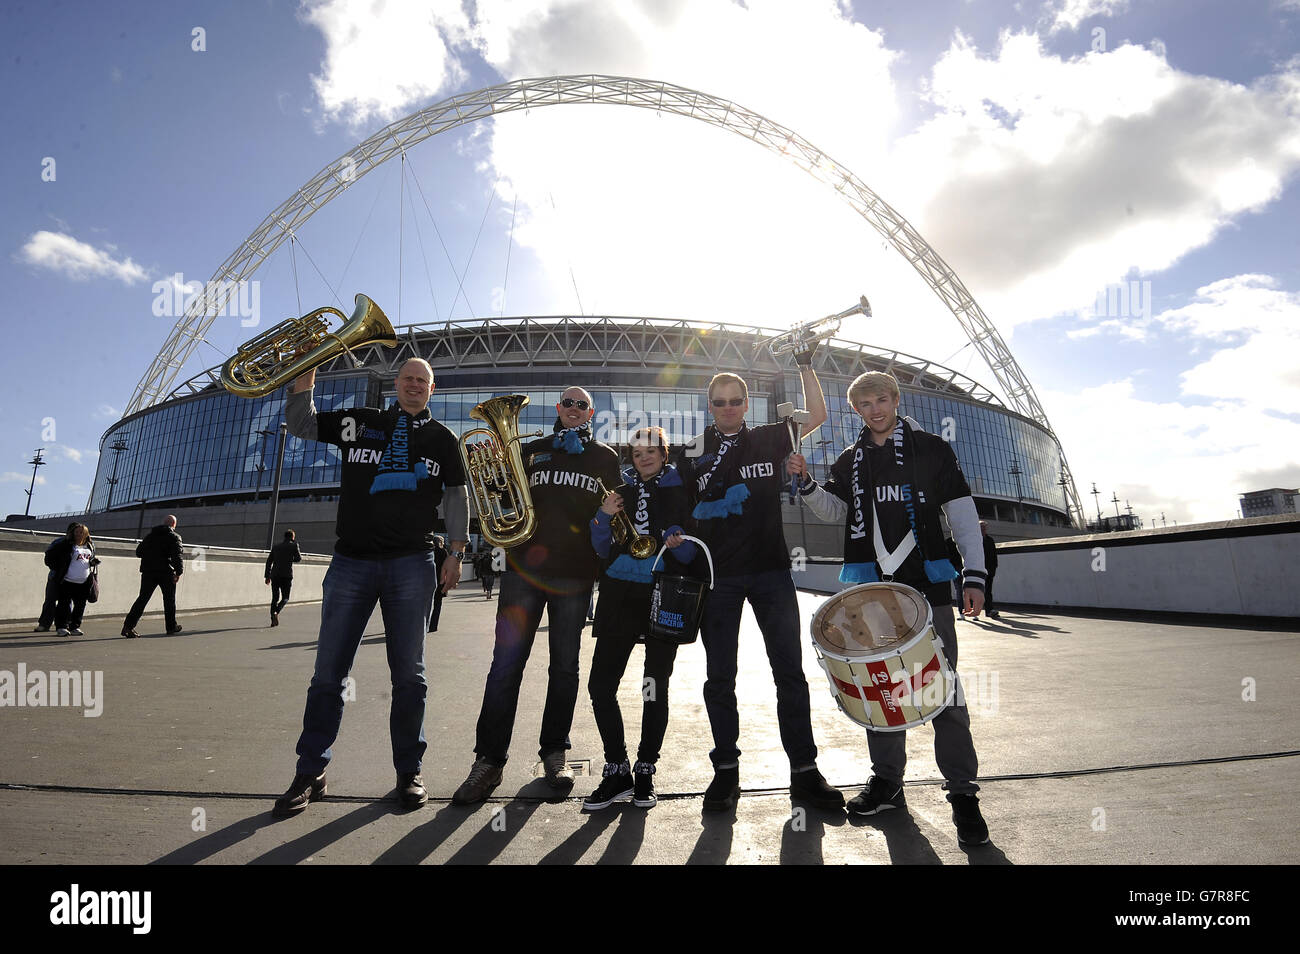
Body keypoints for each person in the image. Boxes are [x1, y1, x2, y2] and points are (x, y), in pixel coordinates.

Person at [788, 370, 992, 845]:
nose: (874, 410)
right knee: (881, 690)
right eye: (864, 405)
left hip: (928, 584)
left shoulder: (932, 450)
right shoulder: (850, 459)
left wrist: (975, 575)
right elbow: (838, 512)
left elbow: (961, 515)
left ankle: (963, 793)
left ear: (895, 400)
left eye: (881, 400)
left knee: (941, 689)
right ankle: (887, 783)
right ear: (855, 410)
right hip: (874, 590)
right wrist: (806, 484)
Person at [272, 357, 468, 817]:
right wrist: (304, 381)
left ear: (432, 389)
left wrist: (456, 554)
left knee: (410, 677)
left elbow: (457, 496)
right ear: (394, 385)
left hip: (412, 563)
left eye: (423, 380)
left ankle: (407, 772)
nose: (415, 385)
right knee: (328, 673)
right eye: (408, 379)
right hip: (351, 563)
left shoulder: (443, 440)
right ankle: (311, 769)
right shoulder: (361, 423)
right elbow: (302, 425)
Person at [675, 352, 844, 813]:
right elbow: (649, 475)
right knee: (719, 678)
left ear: (747, 403)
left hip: (772, 572)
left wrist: (806, 365)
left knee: (790, 673)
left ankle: (805, 775)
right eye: (719, 402)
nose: (728, 408)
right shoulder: (690, 453)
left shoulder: (774, 437)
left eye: (735, 401)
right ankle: (726, 773)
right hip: (719, 579)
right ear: (708, 406)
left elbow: (822, 413)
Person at [453, 386, 620, 805]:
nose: (575, 409)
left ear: (591, 412)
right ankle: (488, 762)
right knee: (505, 667)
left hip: (576, 577)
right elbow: (502, 497)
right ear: (558, 408)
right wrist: (491, 471)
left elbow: (615, 516)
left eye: (583, 405)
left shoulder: (606, 457)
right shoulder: (529, 450)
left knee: (564, 668)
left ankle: (555, 753)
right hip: (523, 573)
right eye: (568, 403)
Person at [583, 426, 697, 811]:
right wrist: (602, 515)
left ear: (664, 454)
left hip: (662, 591)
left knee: (653, 684)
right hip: (619, 590)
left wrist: (678, 539)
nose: (643, 457)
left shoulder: (682, 487)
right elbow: (600, 547)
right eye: (636, 453)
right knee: (601, 685)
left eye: (651, 451)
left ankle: (645, 768)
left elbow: (691, 551)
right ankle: (617, 769)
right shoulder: (621, 490)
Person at [121, 515, 185, 638]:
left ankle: (128, 626)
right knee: (169, 600)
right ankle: (171, 627)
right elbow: (177, 556)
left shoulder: (150, 536)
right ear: (174, 525)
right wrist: (178, 572)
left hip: (148, 572)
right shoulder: (175, 537)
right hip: (166, 572)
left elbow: (139, 552)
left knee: (142, 599)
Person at [48, 523, 98, 637]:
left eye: (82, 532)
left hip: (84, 581)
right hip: (67, 581)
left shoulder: (89, 545)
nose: (79, 534)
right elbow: (50, 557)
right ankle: (61, 627)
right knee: (64, 605)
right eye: (77, 532)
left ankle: (74, 626)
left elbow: (88, 559)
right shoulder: (66, 544)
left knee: (80, 605)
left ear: (86, 534)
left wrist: (93, 562)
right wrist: (59, 569)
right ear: (73, 533)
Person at [34, 523, 79, 632]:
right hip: (56, 576)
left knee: (66, 602)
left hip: (70, 578)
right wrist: (59, 568)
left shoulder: (82, 545)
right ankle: (45, 624)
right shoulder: (59, 542)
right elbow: (48, 559)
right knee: (51, 600)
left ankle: (63, 624)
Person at [264, 529, 303, 627]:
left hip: (275, 575)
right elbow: (298, 559)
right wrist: (290, 558)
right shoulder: (294, 545)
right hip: (286, 576)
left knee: (275, 598)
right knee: (285, 597)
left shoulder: (276, 546)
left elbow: (269, 561)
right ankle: (276, 612)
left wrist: (267, 576)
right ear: (292, 537)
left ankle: (273, 617)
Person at [428, 535, 450, 632]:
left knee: (425, 604)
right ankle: (433, 626)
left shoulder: (429, 551)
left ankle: (423, 624)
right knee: (437, 604)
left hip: (427, 581)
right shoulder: (443, 552)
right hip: (440, 581)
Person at [981, 521, 1000, 618]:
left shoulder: (990, 540)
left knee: (988, 590)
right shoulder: (976, 540)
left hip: (990, 569)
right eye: (982, 528)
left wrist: (995, 566)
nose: (984, 530)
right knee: (980, 590)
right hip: (981, 569)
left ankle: (989, 610)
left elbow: (994, 554)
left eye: (984, 528)